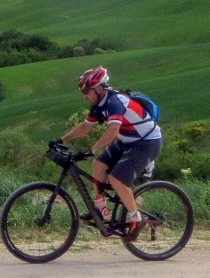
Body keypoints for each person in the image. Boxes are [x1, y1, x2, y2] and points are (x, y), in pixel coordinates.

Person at [56, 66, 162, 237]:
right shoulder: (99, 104)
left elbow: (113, 131)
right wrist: (61, 140)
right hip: (127, 141)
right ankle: (101, 210)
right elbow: (85, 127)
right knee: (98, 165)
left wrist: (92, 149)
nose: (84, 95)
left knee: (116, 179)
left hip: (146, 143)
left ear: (99, 88)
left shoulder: (115, 102)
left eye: (86, 90)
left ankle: (137, 219)